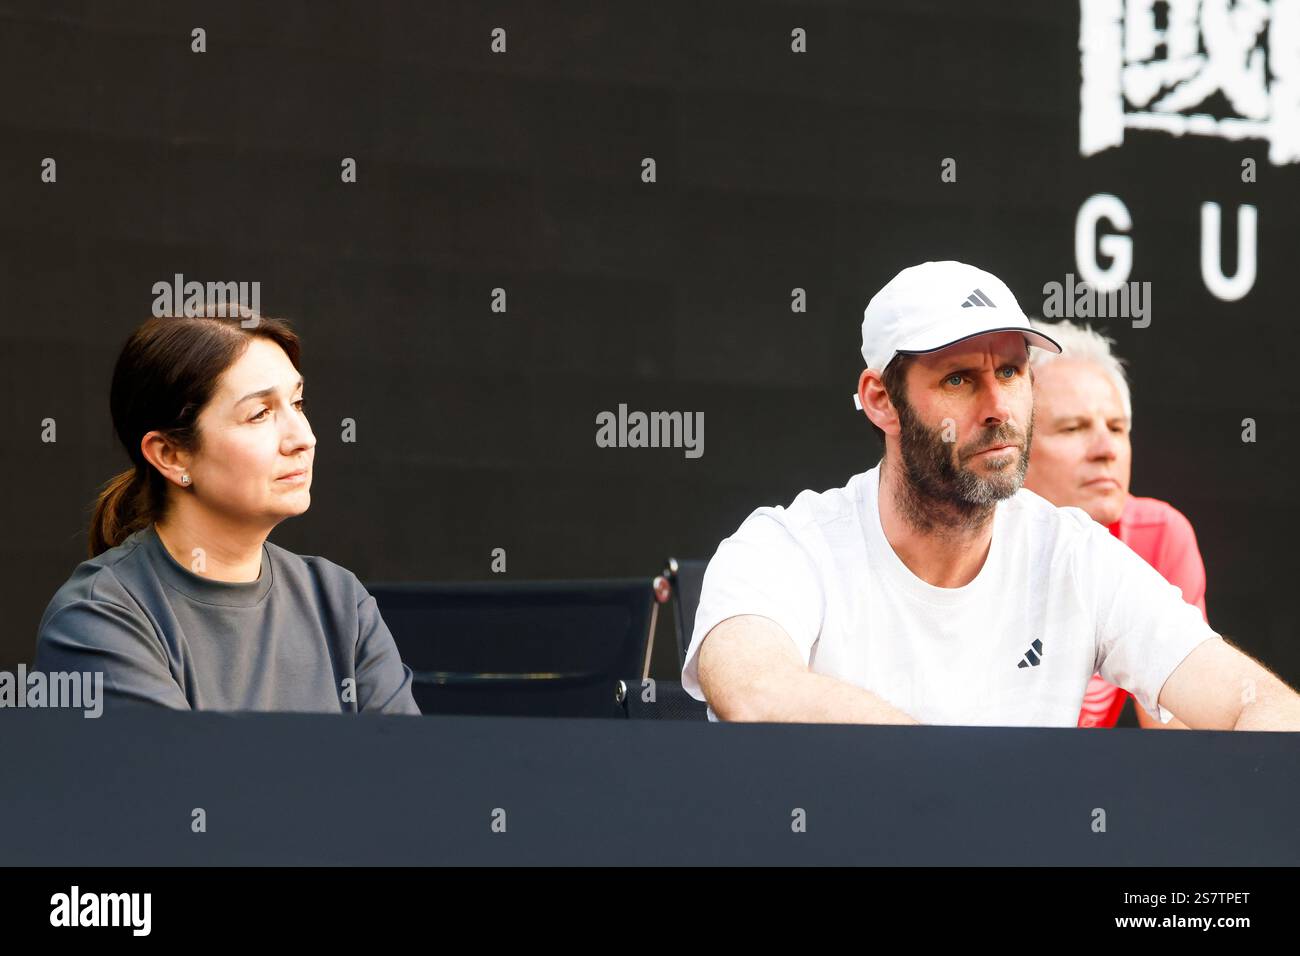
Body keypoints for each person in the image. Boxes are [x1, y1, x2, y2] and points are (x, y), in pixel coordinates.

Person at [681, 260, 1300, 729]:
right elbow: (753, 687)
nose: (998, 407)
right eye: (959, 379)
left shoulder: (1073, 555)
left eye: (1010, 372)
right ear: (879, 400)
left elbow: (1255, 705)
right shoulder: (786, 545)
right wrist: (967, 785)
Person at [34, 306, 420, 714]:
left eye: (298, 403)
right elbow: (187, 777)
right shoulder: (99, 618)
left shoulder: (340, 601)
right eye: (260, 414)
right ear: (170, 455)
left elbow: (409, 771)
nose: (303, 438)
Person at [1024, 318, 1203, 729]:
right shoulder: (964, 537)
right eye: (1073, 428)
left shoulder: (1158, 537)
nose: (1106, 450)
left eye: (1117, 429)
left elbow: (1178, 739)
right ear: (1014, 445)